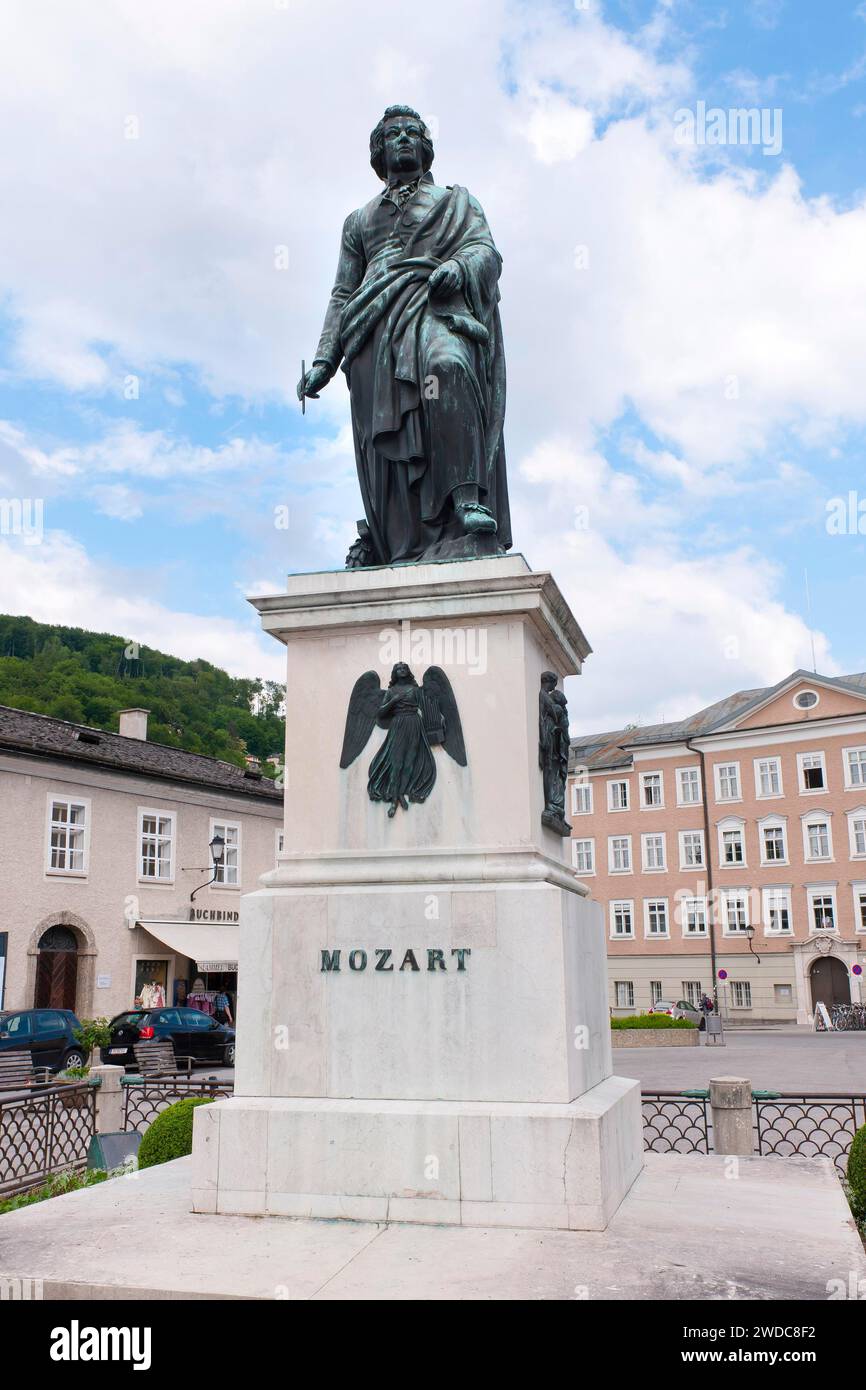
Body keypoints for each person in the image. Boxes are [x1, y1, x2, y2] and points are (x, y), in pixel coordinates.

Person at [298, 105, 511, 566]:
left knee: (447, 368)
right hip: (372, 329)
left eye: (413, 132)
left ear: (426, 148)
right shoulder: (358, 220)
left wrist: (459, 265)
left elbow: (486, 253)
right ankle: (394, 536)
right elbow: (342, 291)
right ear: (379, 152)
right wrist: (323, 361)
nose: (404, 139)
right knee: (384, 434)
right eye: (393, 134)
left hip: (436, 307)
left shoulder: (457, 203)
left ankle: (464, 498)